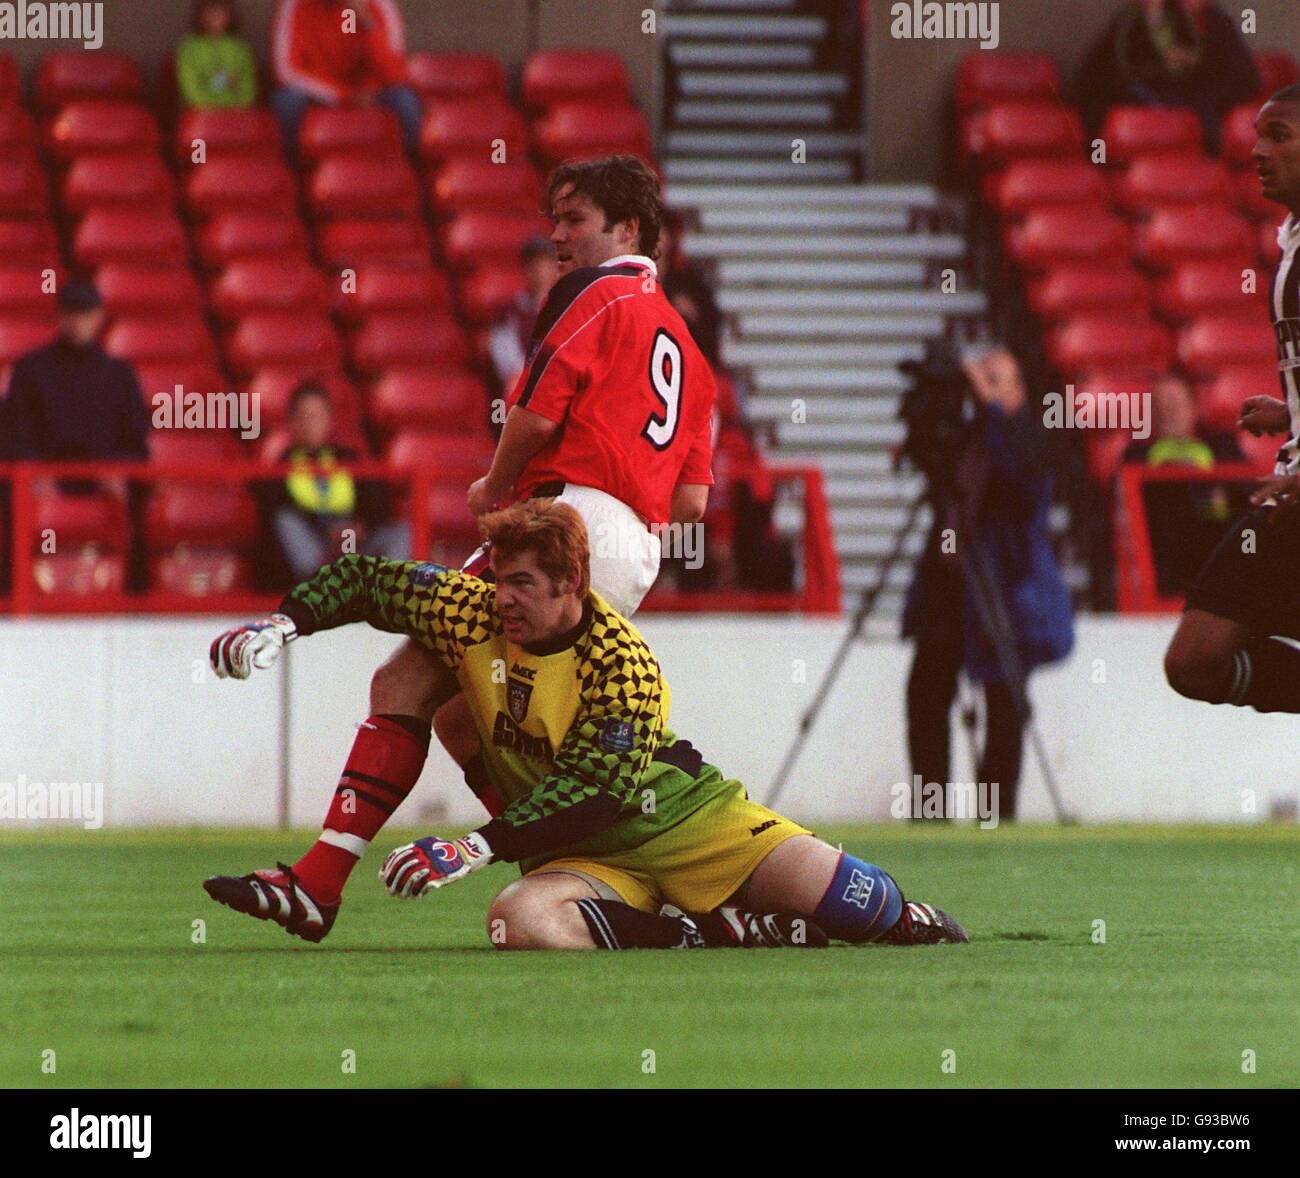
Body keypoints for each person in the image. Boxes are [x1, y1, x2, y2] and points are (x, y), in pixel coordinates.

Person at [203, 499, 968, 950]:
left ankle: (914, 918)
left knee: (858, 907)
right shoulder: (472, 608)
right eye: (499, 579)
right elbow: (370, 580)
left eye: (522, 584)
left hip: (683, 821)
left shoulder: (622, 662)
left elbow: (599, 792)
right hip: (589, 860)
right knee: (520, 924)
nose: (501, 597)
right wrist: (282, 625)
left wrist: (472, 846)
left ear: (572, 582)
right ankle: (705, 934)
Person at [1164, 84, 1300, 713]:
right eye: (1256, 135)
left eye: (1279, 136)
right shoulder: (1292, 238)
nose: (1257, 151)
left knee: (1197, 660)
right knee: (1194, 663)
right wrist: (1290, 410)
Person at [902, 347, 1074, 821]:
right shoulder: (967, 435)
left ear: (1018, 391)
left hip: (1005, 587)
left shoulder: (1027, 436)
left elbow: (1022, 484)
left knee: (1003, 700)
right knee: (926, 689)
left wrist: (993, 412)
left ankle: (997, 814)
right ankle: (928, 809)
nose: (983, 390)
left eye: (995, 380)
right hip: (950, 583)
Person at [1074, 0, 1259, 152]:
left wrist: (1197, 68)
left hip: (1200, 133)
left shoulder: (1219, 24)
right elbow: (1091, 83)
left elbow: (1247, 81)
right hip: (1141, 133)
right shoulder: (1131, 23)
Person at [267, 382, 408, 581]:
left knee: (402, 531)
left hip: (355, 541)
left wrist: (361, 526)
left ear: (329, 420)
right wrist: (325, 531)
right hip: (318, 545)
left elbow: (379, 502)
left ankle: (385, 588)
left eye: (317, 416)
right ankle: (320, 585)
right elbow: (275, 510)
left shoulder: (349, 458)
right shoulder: (281, 465)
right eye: (304, 416)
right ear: (292, 422)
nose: (311, 423)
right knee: (286, 521)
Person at [1121, 374, 1244, 597]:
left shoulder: (1224, 451)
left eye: (1175, 404)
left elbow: (1246, 500)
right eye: (1160, 406)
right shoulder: (1136, 457)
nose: (1168, 412)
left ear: (1193, 408)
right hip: (1164, 564)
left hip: (1215, 558)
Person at [270, 0, 421, 156]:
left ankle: (409, 170)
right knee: (288, 101)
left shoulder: (380, 3)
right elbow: (287, 71)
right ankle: (294, 173)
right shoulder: (295, 4)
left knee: (405, 101)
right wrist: (343, 95)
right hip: (319, 92)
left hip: (370, 91)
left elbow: (395, 70)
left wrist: (366, 22)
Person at [486, 235, 558, 398]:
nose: (539, 271)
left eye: (545, 265)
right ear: (525, 269)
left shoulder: (565, 308)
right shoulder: (510, 313)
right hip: (523, 388)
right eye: (534, 265)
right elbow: (508, 363)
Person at [177, 0, 257, 110]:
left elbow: (248, 88)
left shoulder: (241, 49)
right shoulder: (189, 49)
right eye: (210, 13)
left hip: (237, 112)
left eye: (220, 12)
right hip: (203, 113)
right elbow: (190, 88)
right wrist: (210, 106)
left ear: (230, 15)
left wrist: (236, 107)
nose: (215, 17)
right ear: (200, 17)